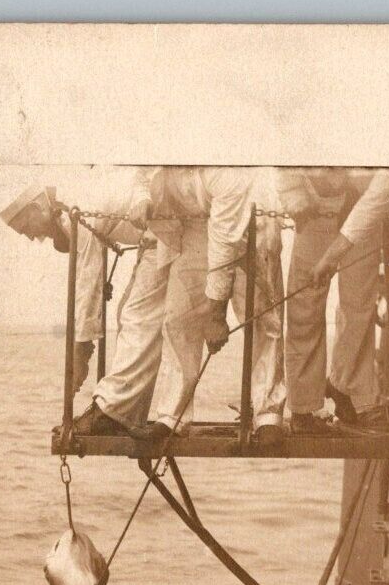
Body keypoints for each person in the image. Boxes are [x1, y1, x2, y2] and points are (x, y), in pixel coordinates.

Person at [73, 166, 286, 447]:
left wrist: (216, 314)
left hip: (249, 219)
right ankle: (172, 417)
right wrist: (141, 199)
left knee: (260, 317)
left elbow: (224, 244)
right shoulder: (167, 144)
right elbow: (143, 174)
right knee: (177, 319)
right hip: (195, 223)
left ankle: (268, 415)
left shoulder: (225, 172)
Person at [285, 168, 389, 431]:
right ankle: (302, 408)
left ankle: (346, 388)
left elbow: (378, 194)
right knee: (304, 311)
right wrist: (294, 197)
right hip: (314, 217)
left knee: (359, 307)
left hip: (364, 215)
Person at [0, 184, 116, 395]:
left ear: (36, 208)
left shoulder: (71, 214)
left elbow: (88, 276)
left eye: (25, 228)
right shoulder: (65, 214)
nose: (30, 237)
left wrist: (81, 348)